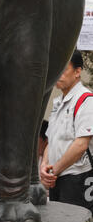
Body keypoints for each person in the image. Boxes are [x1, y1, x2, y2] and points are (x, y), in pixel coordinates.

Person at [40, 50, 93, 213]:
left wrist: (53, 171)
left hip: (78, 177)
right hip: (57, 178)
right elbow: (51, 139)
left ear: (78, 72)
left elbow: (81, 145)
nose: (58, 74)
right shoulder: (58, 103)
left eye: (64, 69)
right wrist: (44, 166)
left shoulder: (86, 100)